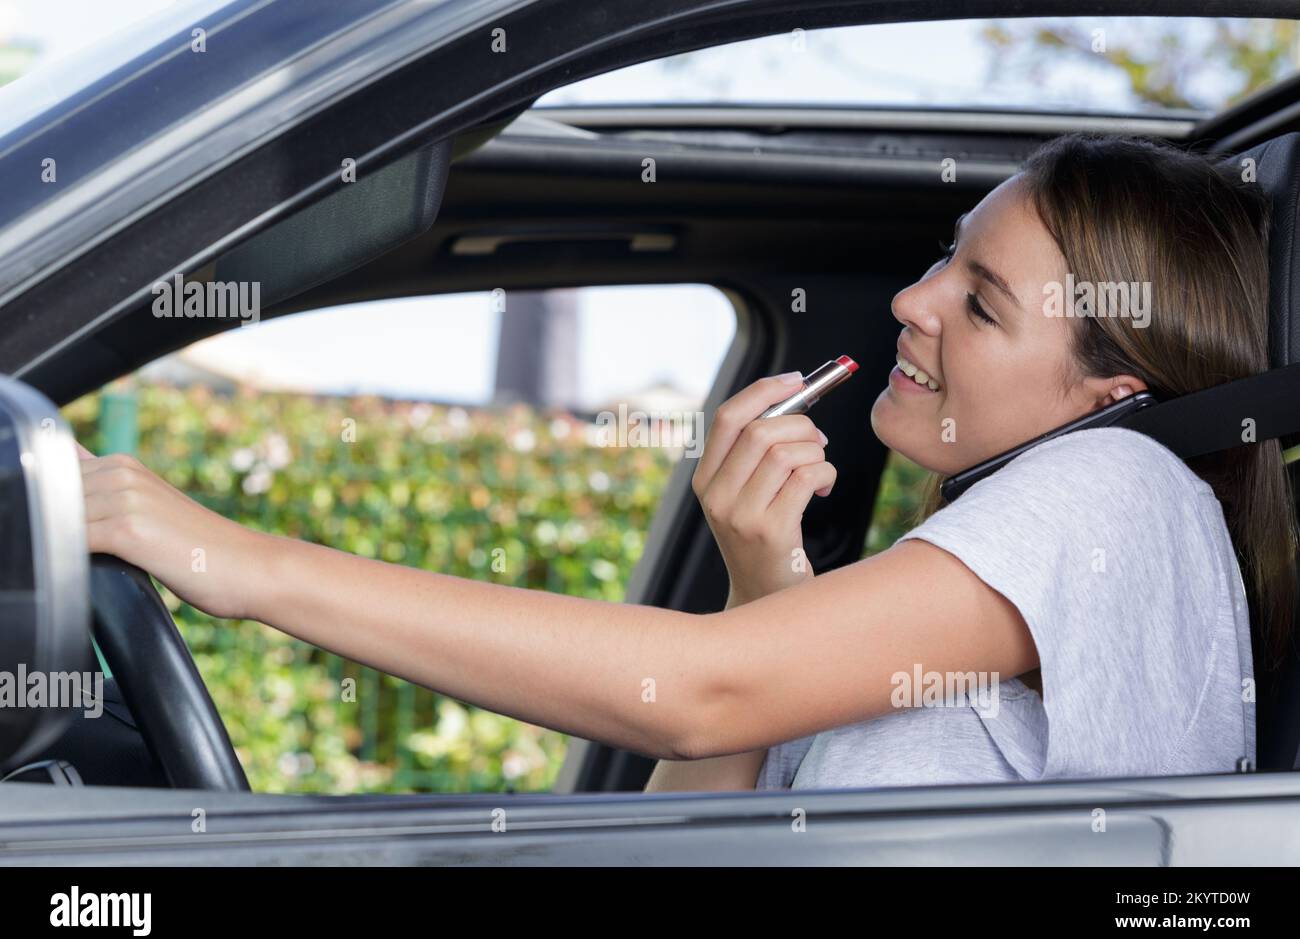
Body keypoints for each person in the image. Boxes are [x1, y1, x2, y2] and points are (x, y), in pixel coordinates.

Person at [79, 133, 1296, 792]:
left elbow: (701, 688)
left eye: (979, 305)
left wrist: (237, 562)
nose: (915, 300)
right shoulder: (1024, 539)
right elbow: (694, 835)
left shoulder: (1116, 490)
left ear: (1113, 390)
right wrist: (763, 580)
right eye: (945, 256)